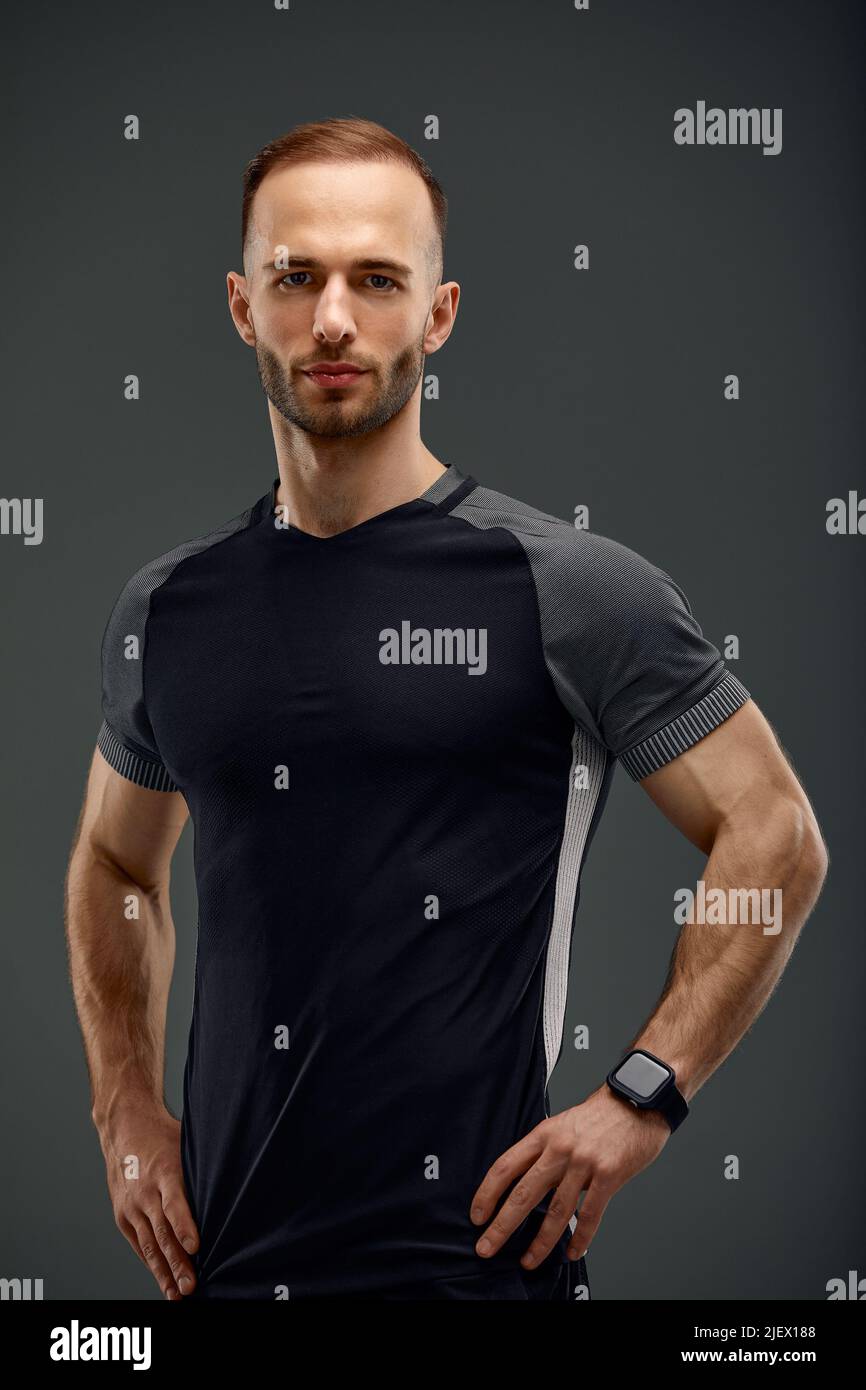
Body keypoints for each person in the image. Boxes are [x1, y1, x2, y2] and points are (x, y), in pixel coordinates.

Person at [65, 116, 828, 1302]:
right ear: (239, 305)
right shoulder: (167, 608)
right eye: (295, 277)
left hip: (479, 1281)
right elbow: (116, 858)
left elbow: (772, 832)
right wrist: (124, 1102)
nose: (332, 319)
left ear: (439, 314)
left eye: (377, 280)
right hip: (223, 1275)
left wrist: (643, 1093)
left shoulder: (567, 588)